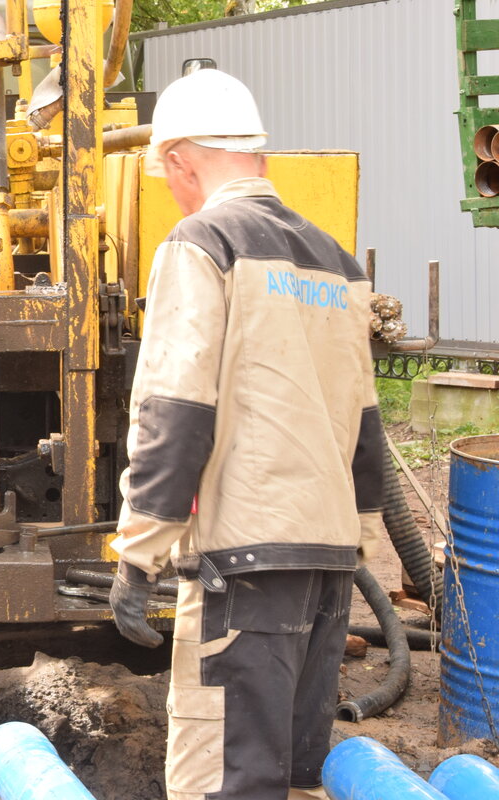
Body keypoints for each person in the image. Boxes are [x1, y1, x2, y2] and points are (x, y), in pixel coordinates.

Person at [107, 69, 386, 800]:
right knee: (289, 780)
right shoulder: (335, 260)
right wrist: (346, 534)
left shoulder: (202, 244)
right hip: (326, 565)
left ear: (179, 159)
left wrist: (137, 556)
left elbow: (175, 410)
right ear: (257, 157)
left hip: (246, 567)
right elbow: (365, 424)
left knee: (220, 782)